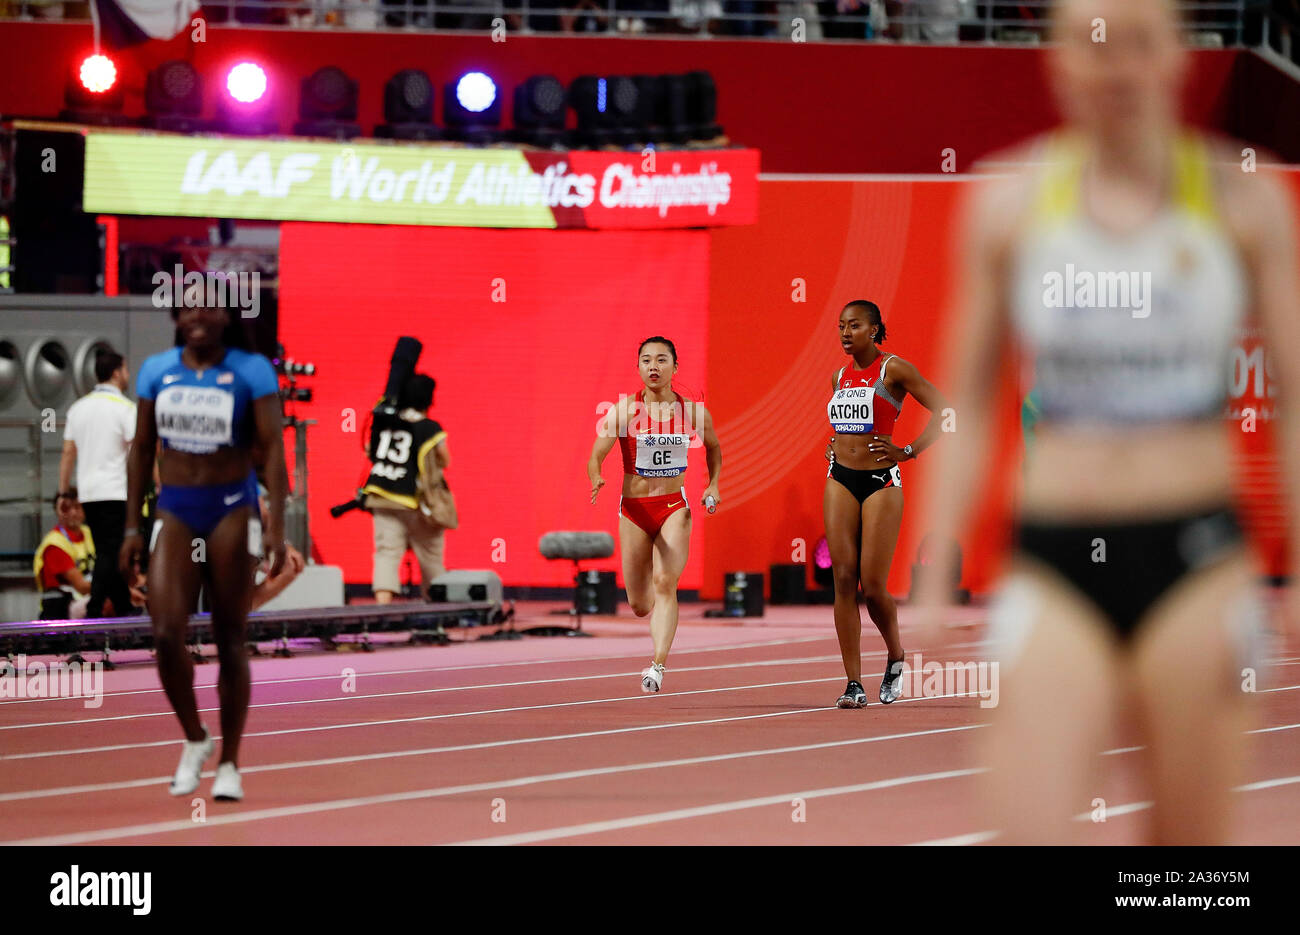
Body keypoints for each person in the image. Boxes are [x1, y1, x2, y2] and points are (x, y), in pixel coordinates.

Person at [916, 0, 1300, 843]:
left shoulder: (1248, 203)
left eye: (1137, 44)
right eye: (1092, 47)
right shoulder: (1007, 203)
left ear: (1178, 55)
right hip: (1055, 562)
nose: (1115, 68)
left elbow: (1296, 399)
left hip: (1196, 561)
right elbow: (969, 400)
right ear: (1055, 60)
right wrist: (935, 566)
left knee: (1187, 872)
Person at [121, 295, 287, 802]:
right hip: (175, 510)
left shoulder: (251, 370)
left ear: (227, 316)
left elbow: (274, 447)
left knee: (229, 635)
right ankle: (196, 737)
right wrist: (131, 526)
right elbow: (142, 447)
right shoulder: (156, 371)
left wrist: (276, 522)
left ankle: (231, 762)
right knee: (167, 632)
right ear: (176, 317)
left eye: (209, 308)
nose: (198, 316)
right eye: (188, 308)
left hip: (232, 508)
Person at [824, 300, 949, 707]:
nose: (846, 332)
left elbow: (947, 412)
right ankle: (853, 684)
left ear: (875, 329)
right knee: (843, 576)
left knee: (872, 586)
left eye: (855, 326)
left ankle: (896, 655)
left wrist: (909, 450)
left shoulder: (893, 369)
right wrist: (838, 444)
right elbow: (846, 427)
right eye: (841, 326)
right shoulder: (839, 376)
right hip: (839, 478)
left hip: (880, 482)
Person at [587, 336, 722, 692]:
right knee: (639, 604)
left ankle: (657, 665)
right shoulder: (624, 411)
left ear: (675, 368)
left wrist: (713, 484)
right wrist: (596, 475)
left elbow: (714, 447)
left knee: (666, 583)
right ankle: (649, 620)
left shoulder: (692, 412)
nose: (653, 367)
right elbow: (596, 453)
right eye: (646, 360)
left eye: (662, 360)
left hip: (673, 507)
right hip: (633, 510)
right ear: (638, 368)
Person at [59, 349, 137, 619]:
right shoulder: (126, 408)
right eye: (126, 369)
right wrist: (158, 483)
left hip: (89, 494)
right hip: (116, 491)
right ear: (116, 373)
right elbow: (141, 452)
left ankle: (125, 608)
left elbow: (68, 452)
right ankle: (93, 612)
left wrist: (63, 491)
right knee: (110, 552)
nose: (128, 375)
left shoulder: (77, 408)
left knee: (108, 551)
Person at [362, 373, 450, 604]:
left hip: (381, 497)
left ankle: (382, 608)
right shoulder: (429, 428)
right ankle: (437, 607)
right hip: (417, 502)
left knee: (386, 554)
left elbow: (370, 450)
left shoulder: (384, 422)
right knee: (430, 555)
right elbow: (444, 459)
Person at [33, 492, 95, 620]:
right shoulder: (55, 544)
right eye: (66, 508)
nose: (73, 513)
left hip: (87, 600)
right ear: (58, 511)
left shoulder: (90, 534)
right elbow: (82, 587)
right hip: (60, 611)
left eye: (77, 507)